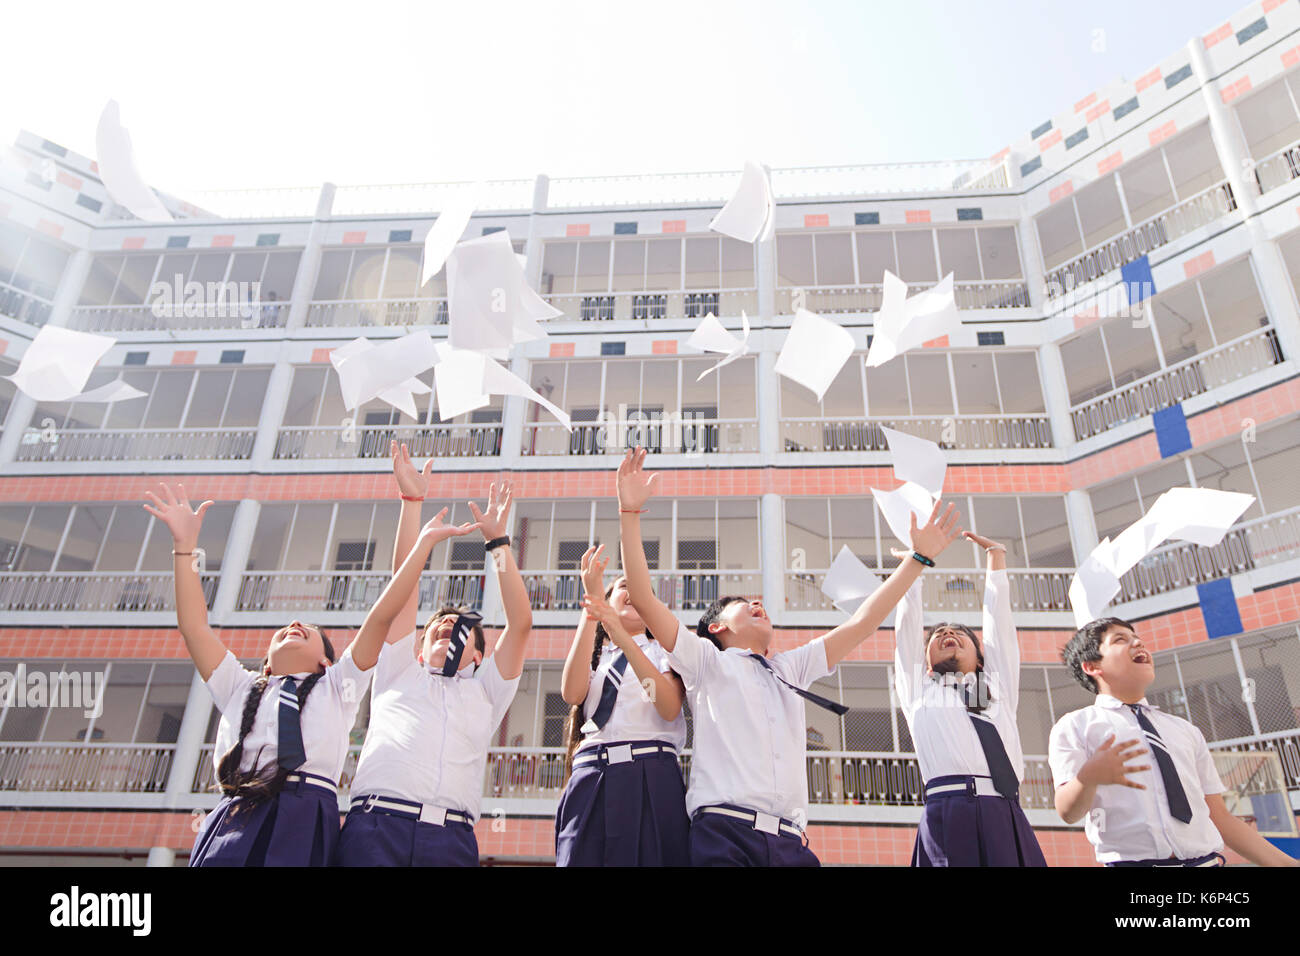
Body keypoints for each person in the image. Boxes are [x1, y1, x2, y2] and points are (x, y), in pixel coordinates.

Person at [615, 447, 962, 865]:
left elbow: (862, 624)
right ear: (717, 627)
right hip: (724, 832)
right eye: (743, 603)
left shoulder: (790, 666)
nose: (758, 602)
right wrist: (629, 514)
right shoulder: (706, 661)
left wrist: (917, 560)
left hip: (790, 843)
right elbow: (645, 598)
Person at [143, 478, 470, 865]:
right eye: (286, 628)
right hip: (237, 812)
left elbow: (383, 616)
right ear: (265, 662)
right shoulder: (239, 686)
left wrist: (421, 547)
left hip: (306, 813)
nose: (295, 623)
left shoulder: (338, 686)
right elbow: (195, 627)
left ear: (325, 661)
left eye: (310, 631)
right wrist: (184, 548)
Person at [335, 442, 533, 866]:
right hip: (376, 826)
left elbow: (520, 625)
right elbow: (401, 589)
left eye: (462, 629)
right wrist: (411, 502)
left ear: (479, 656)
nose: (446, 624)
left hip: (450, 837)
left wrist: (498, 543)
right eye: (435, 626)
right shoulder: (399, 669)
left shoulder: (486, 693)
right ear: (418, 648)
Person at [1049, 616, 1297, 867]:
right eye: (1120, 640)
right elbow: (1068, 812)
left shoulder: (1185, 730)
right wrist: (1088, 777)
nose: (1137, 643)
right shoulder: (1075, 726)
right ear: (1091, 666)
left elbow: (1220, 817)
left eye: (1138, 639)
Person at [892, 531, 1046, 866]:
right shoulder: (920, 691)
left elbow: (999, 626)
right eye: (938, 635)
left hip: (1003, 811)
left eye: (959, 633)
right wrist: (914, 563)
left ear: (979, 657)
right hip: (947, 811)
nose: (947, 634)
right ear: (926, 662)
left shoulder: (996, 688)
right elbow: (906, 626)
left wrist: (996, 557)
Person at [554, 543, 689, 866]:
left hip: (649, 772)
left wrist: (624, 638)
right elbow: (572, 694)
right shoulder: (596, 657)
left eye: (643, 591)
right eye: (623, 587)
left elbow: (667, 706)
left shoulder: (665, 652)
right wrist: (593, 609)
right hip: (592, 772)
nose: (633, 593)